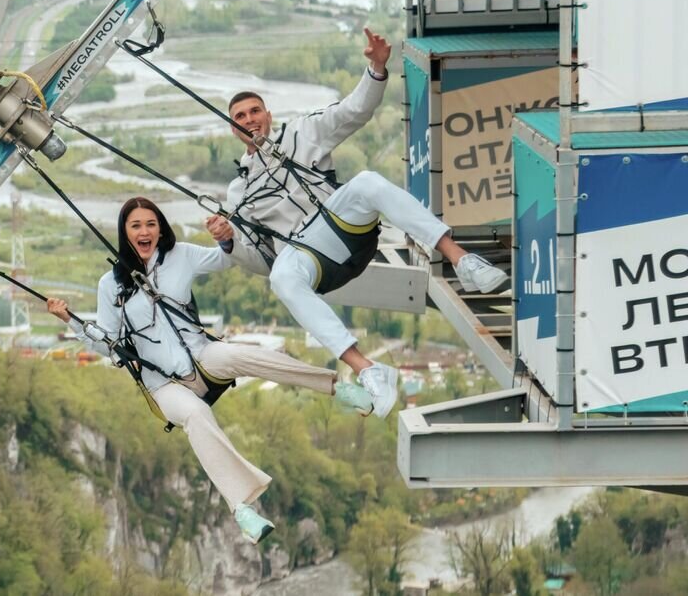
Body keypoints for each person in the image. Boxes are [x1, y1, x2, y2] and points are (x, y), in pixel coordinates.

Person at [205, 27, 507, 419]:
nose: (250, 120)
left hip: (341, 226)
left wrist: (377, 68)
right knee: (281, 277)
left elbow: (353, 111)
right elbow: (259, 261)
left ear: (268, 115)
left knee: (366, 182)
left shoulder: (302, 132)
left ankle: (460, 258)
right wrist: (229, 241)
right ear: (234, 129)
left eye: (255, 111)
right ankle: (367, 369)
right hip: (309, 255)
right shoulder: (238, 192)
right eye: (241, 117)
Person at [46, 197, 377, 545]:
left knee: (243, 354)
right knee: (196, 415)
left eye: (150, 224)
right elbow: (108, 344)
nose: (144, 232)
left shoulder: (180, 256)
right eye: (136, 226)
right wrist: (72, 321)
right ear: (124, 232)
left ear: (160, 229)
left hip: (201, 354)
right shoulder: (111, 284)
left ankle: (338, 389)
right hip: (163, 383)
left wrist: (226, 238)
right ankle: (242, 508)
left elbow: (224, 259)